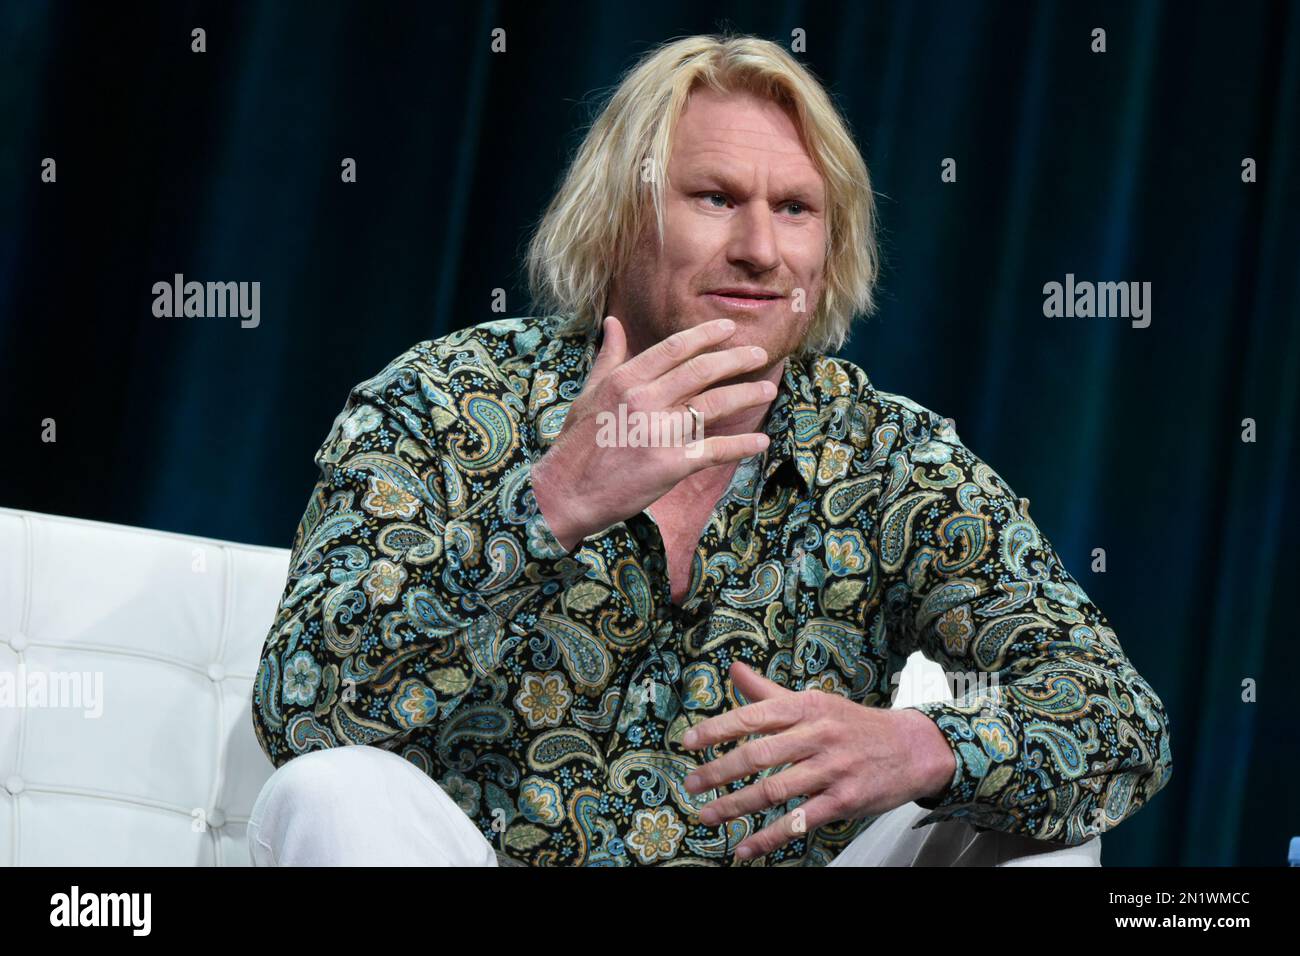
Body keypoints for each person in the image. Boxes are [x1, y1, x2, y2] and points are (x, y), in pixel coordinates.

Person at [249, 33, 1171, 867]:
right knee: (332, 792)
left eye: (797, 210)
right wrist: (550, 506)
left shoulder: (895, 460)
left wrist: (924, 746)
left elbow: (1124, 721)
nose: (761, 249)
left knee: (1032, 833)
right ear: (620, 217)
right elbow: (302, 709)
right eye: (716, 198)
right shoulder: (447, 400)